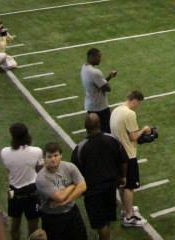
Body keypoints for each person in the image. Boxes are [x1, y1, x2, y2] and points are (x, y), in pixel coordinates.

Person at [71, 114, 127, 240]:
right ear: (100, 124)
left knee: (100, 223)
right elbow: (123, 160)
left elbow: (75, 171)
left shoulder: (81, 147)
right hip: (111, 186)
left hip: (92, 190)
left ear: (85, 127)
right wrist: (123, 177)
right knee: (106, 219)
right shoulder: (112, 140)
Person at [109, 91, 151, 228]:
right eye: (138, 103)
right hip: (128, 154)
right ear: (135, 100)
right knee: (130, 186)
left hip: (117, 154)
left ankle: (126, 209)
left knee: (123, 183)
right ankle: (129, 216)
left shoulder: (116, 110)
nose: (137, 106)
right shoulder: (129, 113)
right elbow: (133, 137)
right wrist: (144, 130)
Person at [36, 143, 87, 239]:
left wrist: (66, 201)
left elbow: (83, 186)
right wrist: (72, 185)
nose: (53, 159)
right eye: (49, 156)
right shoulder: (41, 178)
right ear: (44, 159)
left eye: (55, 155)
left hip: (71, 211)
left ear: (60, 156)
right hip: (52, 217)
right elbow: (60, 197)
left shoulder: (69, 167)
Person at [1, 123, 43, 240]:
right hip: (33, 192)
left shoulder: (4, 152)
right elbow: (39, 170)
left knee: (14, 225)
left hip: (13, 191)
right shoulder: (37, 151)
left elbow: (8, 170)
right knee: (34, 226)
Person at [81, 49, 116, 134]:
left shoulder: (84, 68)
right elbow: (107, 88)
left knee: (94, 131)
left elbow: (99, 84)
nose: (100, 59)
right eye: (98, 57)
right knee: (107, 131)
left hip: (91, 105)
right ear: (91, 57)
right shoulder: (95, 72)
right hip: (100, 107)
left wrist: (109, 77)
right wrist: (107, 80)